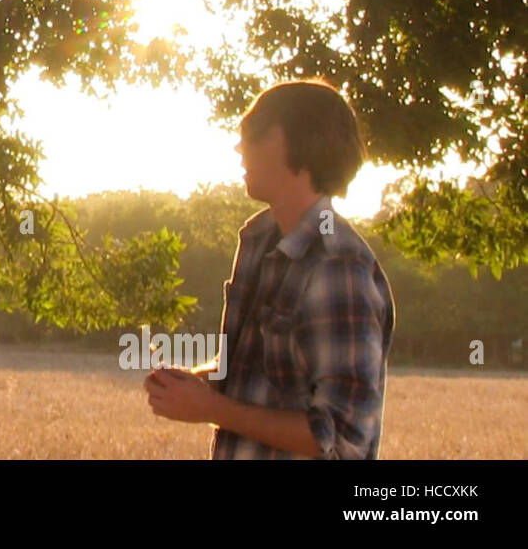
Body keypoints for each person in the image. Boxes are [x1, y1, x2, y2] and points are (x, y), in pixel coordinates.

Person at [144, 79, 396, 459]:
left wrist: (211, 409)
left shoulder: (338, 268)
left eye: (255, 132)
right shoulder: (257, 239)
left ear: (303, 142)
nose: (239, 146)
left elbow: (340, 438)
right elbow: (251, 372)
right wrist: (190, 385)